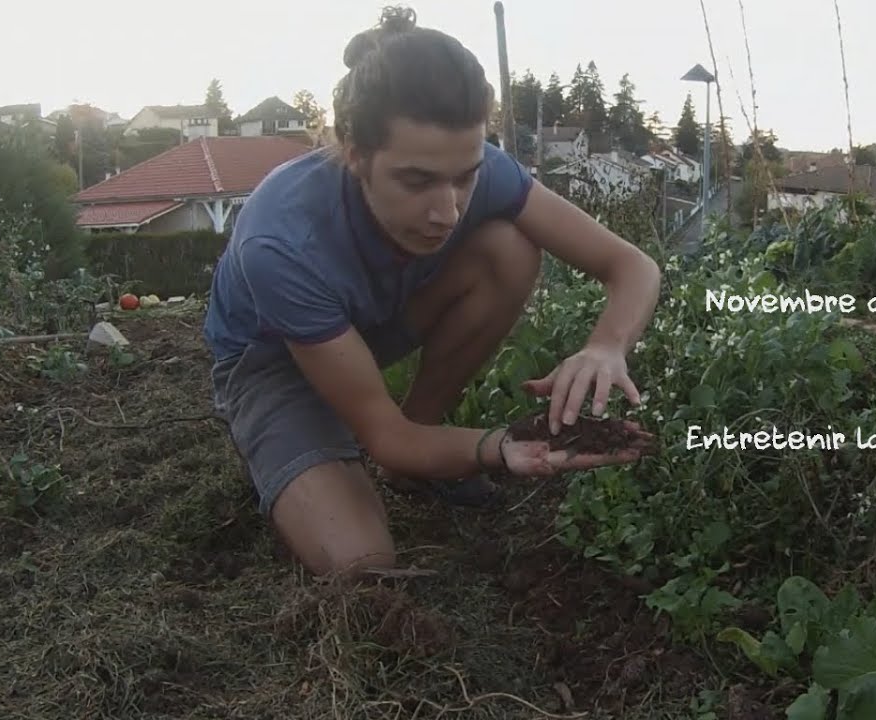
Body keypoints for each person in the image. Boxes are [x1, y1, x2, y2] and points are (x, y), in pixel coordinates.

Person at [202, 6, 660, 578]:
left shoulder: (473, 167)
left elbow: (632, 265)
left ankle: (421, 452)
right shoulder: (281, 244)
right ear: (354, 151)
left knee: (507, 249)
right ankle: (284, 442)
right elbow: (385, 436)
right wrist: (501, 446)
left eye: (464, 177)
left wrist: (606, 346)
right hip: (272, 361)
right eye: (416, 182)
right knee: (361, 561)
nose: (446, 211)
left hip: (371, 325)